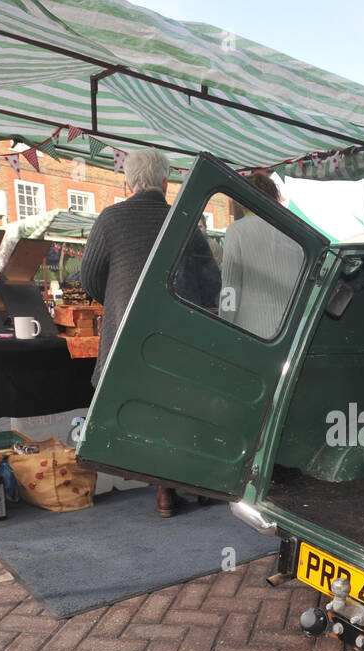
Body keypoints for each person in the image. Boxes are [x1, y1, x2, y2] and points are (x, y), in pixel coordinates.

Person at [81, 149, 220, 517]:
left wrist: (116, 300)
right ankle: (178, 485)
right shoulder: (184, 220)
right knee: (177, 406)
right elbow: (211, 283)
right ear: (165, 182)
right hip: (178, 334)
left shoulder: (110, 219)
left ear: (128, 182)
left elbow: (89, 277)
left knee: (142, 407)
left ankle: (161, 488)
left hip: (128, 334)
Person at [218, 172, 303, 338]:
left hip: (250, 333)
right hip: (288, 333)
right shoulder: (294, 234)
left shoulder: (237, 230)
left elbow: (230, 287)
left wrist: (224, 324)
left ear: (243, 199)